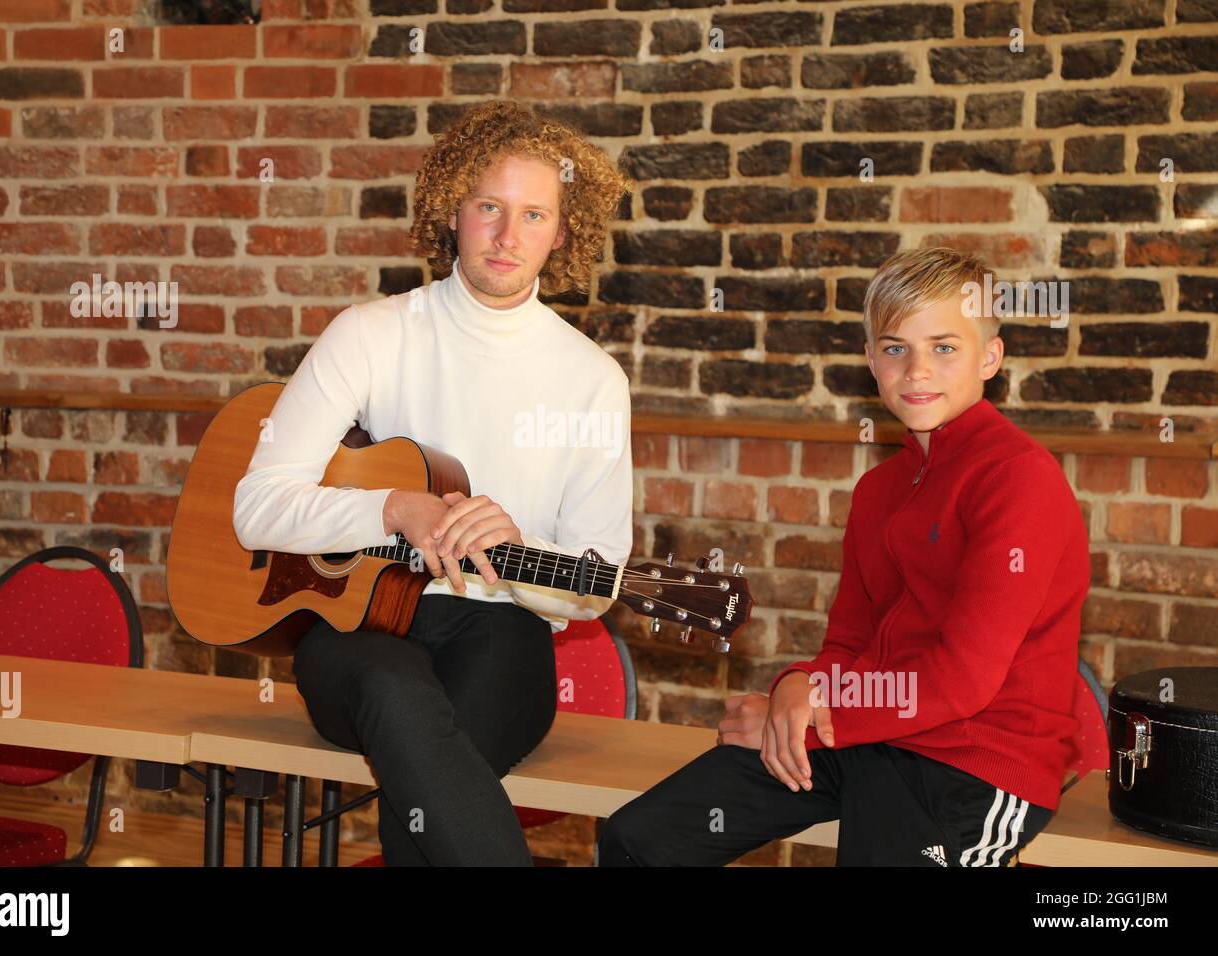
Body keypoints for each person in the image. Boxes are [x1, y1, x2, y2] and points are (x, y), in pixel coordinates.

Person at [232, 100, 634, 865]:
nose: (508, 236)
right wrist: (392, 507)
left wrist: (522, 545)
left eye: (534, 214)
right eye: (489, 206)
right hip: (359, 634)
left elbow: (598, 579)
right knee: (395, 693)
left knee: (428, 777)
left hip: (504, 635)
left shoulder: (591, 380)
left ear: (562, 229)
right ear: (452, 209)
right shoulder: (371, 335)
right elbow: (256, 507)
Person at [599, 247, 1090, 867]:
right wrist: (796, 687)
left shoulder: (1018, 480)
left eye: (944, 347)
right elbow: (849, 645)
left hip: (976, 763)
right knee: (639, 840)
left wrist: (806, 720)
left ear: (990, 357)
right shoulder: (878, 490)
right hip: (866, 735)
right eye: (895, 349)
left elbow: (962, 683)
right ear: (870, 361)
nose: (916, 371)